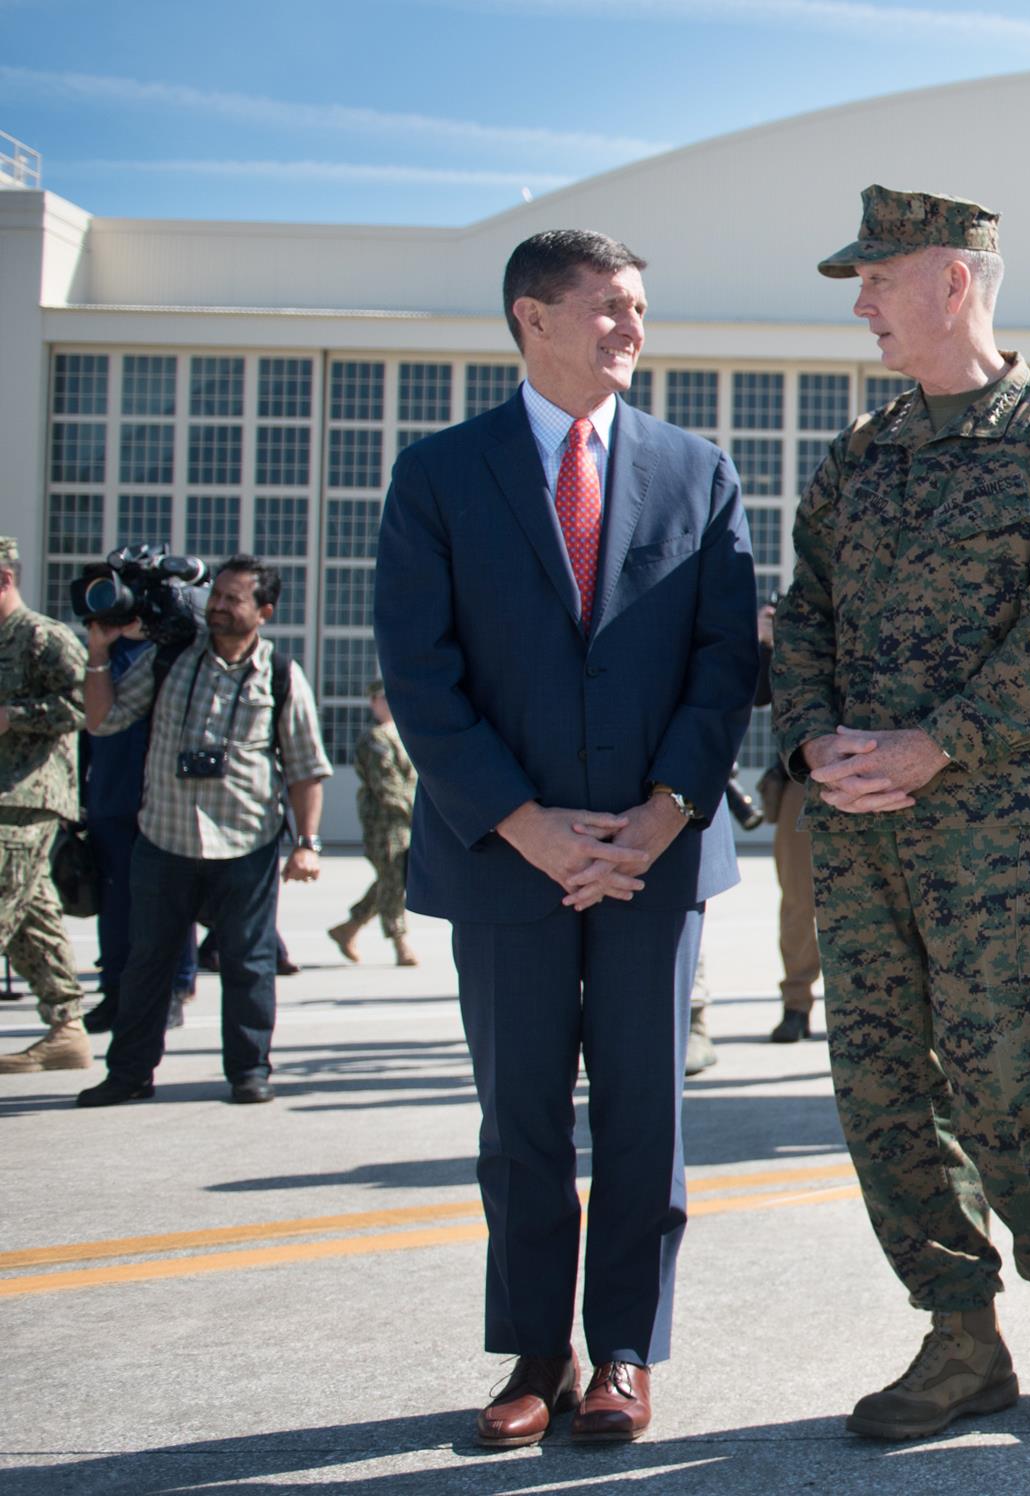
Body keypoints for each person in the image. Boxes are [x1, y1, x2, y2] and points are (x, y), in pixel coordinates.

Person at [376, 228, 758, 1447]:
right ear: (532, 317)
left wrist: (662, 813)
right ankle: (535, 1352)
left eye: (640, 306)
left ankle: (627, 1353)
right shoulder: (438, 475)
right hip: (505, 861)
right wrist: (528, 825)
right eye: (608, 308)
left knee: (648, 1112)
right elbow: (421, 676)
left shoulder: (697, 472)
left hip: (654, 856)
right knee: (524, 1118)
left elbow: (722, 665)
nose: (632, 329)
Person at [775, 185, 1030, 1442]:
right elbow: (802, 613)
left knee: (1010, 1072)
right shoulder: (861, 456)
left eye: (878, 277)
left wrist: (936, 747)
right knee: (881, 1084)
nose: (862, 303)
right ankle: (958, 1332)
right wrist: (815, 739)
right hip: (860, 826)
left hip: (991, 830)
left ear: (955, 282)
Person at [76, 557, 330, 1106]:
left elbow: (307, 768)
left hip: (246, 845)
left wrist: (307, 845)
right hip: (164, 840)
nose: (217, 606)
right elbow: (104, 721)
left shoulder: (282, 675)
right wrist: (99, 656)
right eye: (216, 596)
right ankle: (128, 1074)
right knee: (146, 965)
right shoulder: (168, 662)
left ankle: (247, 1070)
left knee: (249, 964)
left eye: (233, 599)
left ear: (264, 612)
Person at [79, 620, 200, 1038]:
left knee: (169, 901)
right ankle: (114, 989)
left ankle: (175, 988)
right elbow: (85, 731)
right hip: (109, 797)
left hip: (161, 799)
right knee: (113, 902)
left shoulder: (173, 652)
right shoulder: (102, 657)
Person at [0, 536, 93, 1074]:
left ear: (5, 579)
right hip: (6, 800)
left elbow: (82, 704)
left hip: (26, 799)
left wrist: (15, 715)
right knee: (33, 917)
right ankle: (66, 1030)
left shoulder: (42, 637)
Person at [752, 600, 820, 1044]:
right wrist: (766, 644)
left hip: (880, 773)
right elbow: (757, 695)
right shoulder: (799, 615)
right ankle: (796, 1003)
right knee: (799, 902)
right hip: (804, 778)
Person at [328, 680, 417, 966]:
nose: (390, 703)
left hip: (407, 821)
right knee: (393, 879)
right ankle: (400, 942)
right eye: (384, 698)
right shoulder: (375, 739)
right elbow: (388, 786)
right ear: (373, 702)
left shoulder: (405, 735)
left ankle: (350, 927)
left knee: (393, 880)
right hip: (385, 823)